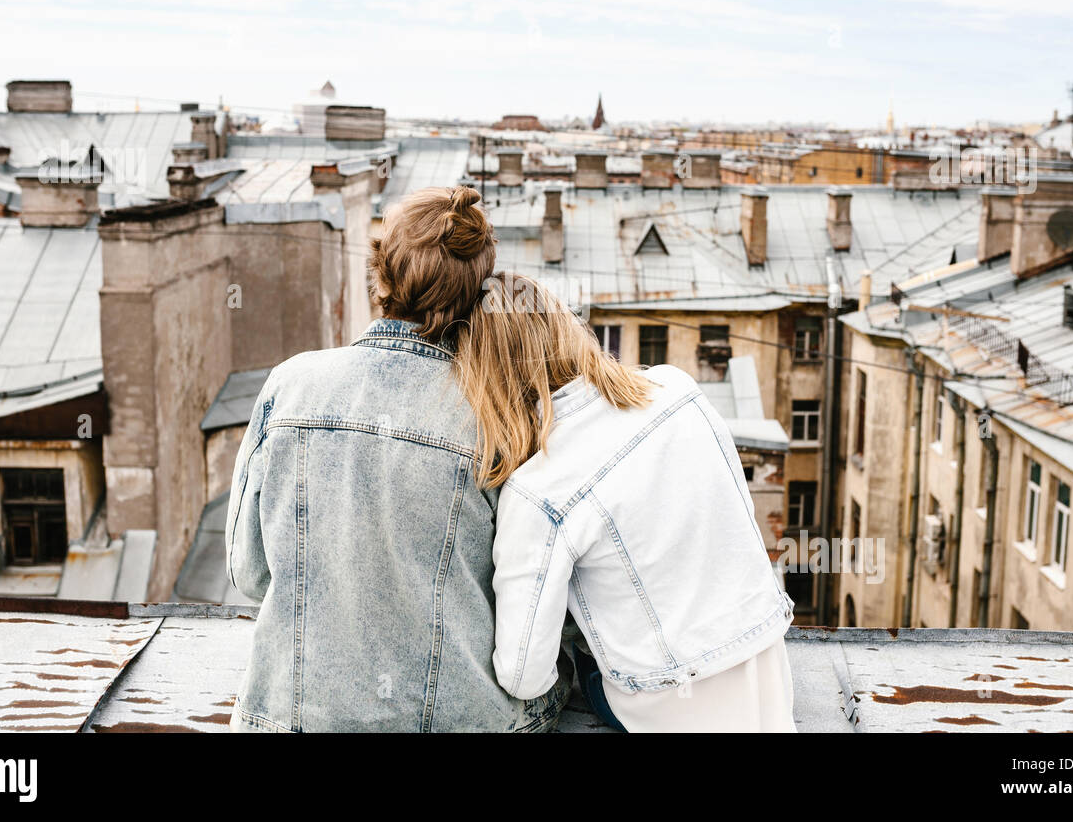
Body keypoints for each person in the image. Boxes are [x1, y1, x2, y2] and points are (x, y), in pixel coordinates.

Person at [225, 188, 569, 732]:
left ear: (379, 278)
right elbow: (528, 607)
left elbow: (249, 574)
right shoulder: (503, 415)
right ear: (479, 293)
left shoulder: (290, 384)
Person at [456, 271, 796, 732]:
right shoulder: (679, 390)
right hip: (767, 673)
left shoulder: (538, 490)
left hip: (669, 701)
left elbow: (523, 674)